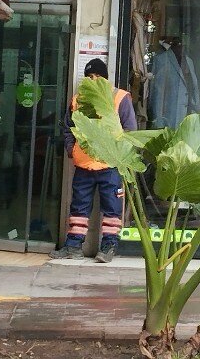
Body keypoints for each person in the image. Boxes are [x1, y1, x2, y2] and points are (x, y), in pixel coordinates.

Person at [51, 59, 137, 263]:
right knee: (79, 207)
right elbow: (68, 127)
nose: (93, 79)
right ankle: (73, 246)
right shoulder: (78, 99)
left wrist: (117, 154)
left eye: (97, 76)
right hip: (84, 164)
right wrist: (72, 150)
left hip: (110, 165)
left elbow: (130, 130)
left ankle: (109, 247)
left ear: (105, 78)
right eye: (89, 76)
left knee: (112, 208)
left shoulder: (119, 97)